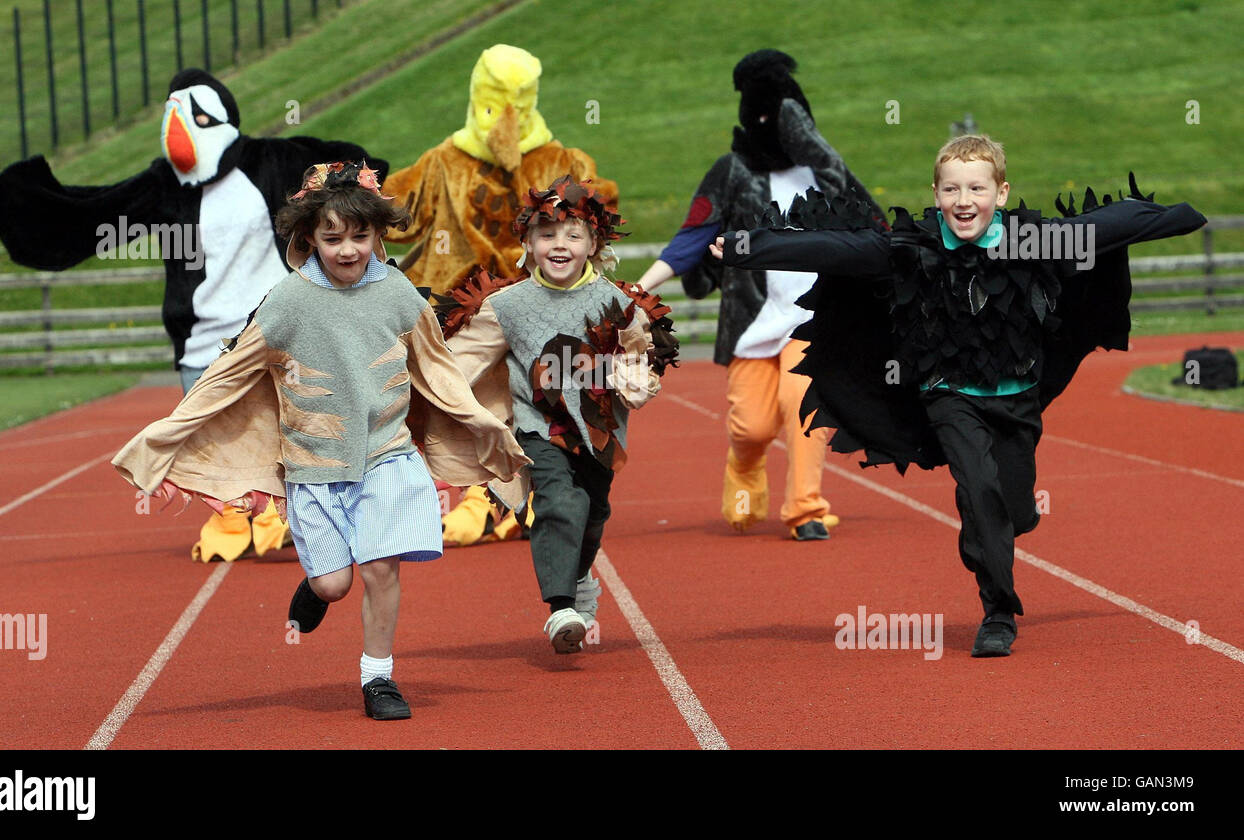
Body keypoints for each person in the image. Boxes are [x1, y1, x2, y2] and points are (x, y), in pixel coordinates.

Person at [713, 134, 1206, 656]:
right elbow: (836, 249)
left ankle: (1004, 524)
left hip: (1019, 400)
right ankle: (998, 612)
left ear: (1002, 192)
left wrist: (1183, 215)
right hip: (948, 394)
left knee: (1011, 510)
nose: (964, 200)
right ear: (936, 192)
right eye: (952, 189)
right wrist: (749, 248)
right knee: (977, 485)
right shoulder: (913, 250)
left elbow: (1105, 229)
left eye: (976, 188)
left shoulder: (1034, 242)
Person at [112, 161, 529, 718]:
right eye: (333, 238)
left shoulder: (400, 295)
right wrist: (160, 437)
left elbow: (438, 368)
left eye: (361, 236)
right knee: (334, 584)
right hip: (314, 465)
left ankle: (378, 678)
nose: (349, 249)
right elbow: (228, 376)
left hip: (387, 454)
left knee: (382, 565)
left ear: (379, 234)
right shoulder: (286, 302)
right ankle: (317, 585)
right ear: (309, 237)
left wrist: (484, 425)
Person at [0, 68, 385, 563]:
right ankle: (234, 518)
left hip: (278, 330)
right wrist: (31, 201)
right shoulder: (164, 186)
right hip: (202, 342)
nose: (180, 128)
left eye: (194, 116)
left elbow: (348, 172)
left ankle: (302, 515)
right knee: (211, 441)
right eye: (171, 115)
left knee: (299, 427)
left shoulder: (271, 161)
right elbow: (95, 213)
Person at [639, 50, 886, 541]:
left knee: (805, 402)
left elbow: (875, 230)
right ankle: (745, 470)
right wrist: (640, 287)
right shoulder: (733, 171)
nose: (779, 129)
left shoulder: (826, 173)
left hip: (814, 317)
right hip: (752, 318)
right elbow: (693, 235)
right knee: (751, 427)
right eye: (770, 118)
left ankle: (805, 510)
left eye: (787, 118)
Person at [381, 43, 618, 547]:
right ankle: (481, 497)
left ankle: (510, 497)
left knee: (529, 405)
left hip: (536, 306)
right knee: (464, 400)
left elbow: (592, 214)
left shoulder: (558, 162)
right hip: (460, 309)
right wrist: (349, 197)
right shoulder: (447, 161)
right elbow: (397, 211)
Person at [439, 176, 677, 653]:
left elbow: (639, 353)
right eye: (547, 234)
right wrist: (422, 392)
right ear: (528, 243)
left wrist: (637, 377)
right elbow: (460, 361)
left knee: (592, 512)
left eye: (573, 234)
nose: (559, 244)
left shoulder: (620, 303)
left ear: (593, 243)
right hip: (537, 426)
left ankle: (580, 576)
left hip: (599, 429)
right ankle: (561, 606)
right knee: (558, 500)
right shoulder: (507, 306)